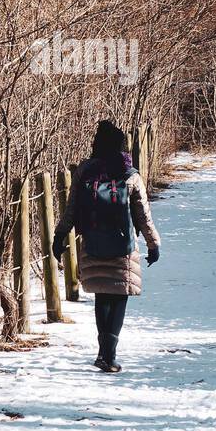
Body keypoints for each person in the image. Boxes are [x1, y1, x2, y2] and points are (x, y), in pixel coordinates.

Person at [52, 119, 160, 373]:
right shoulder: (130, 175)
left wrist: (60, 236)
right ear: (122, 147)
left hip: (92, 241)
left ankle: (103, 352)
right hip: (123, 246)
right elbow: (143, 215)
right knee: (119, 295)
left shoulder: (85, 171)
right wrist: (153, 244)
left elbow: (72, 209)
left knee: (102, 296)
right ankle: (108, 355)